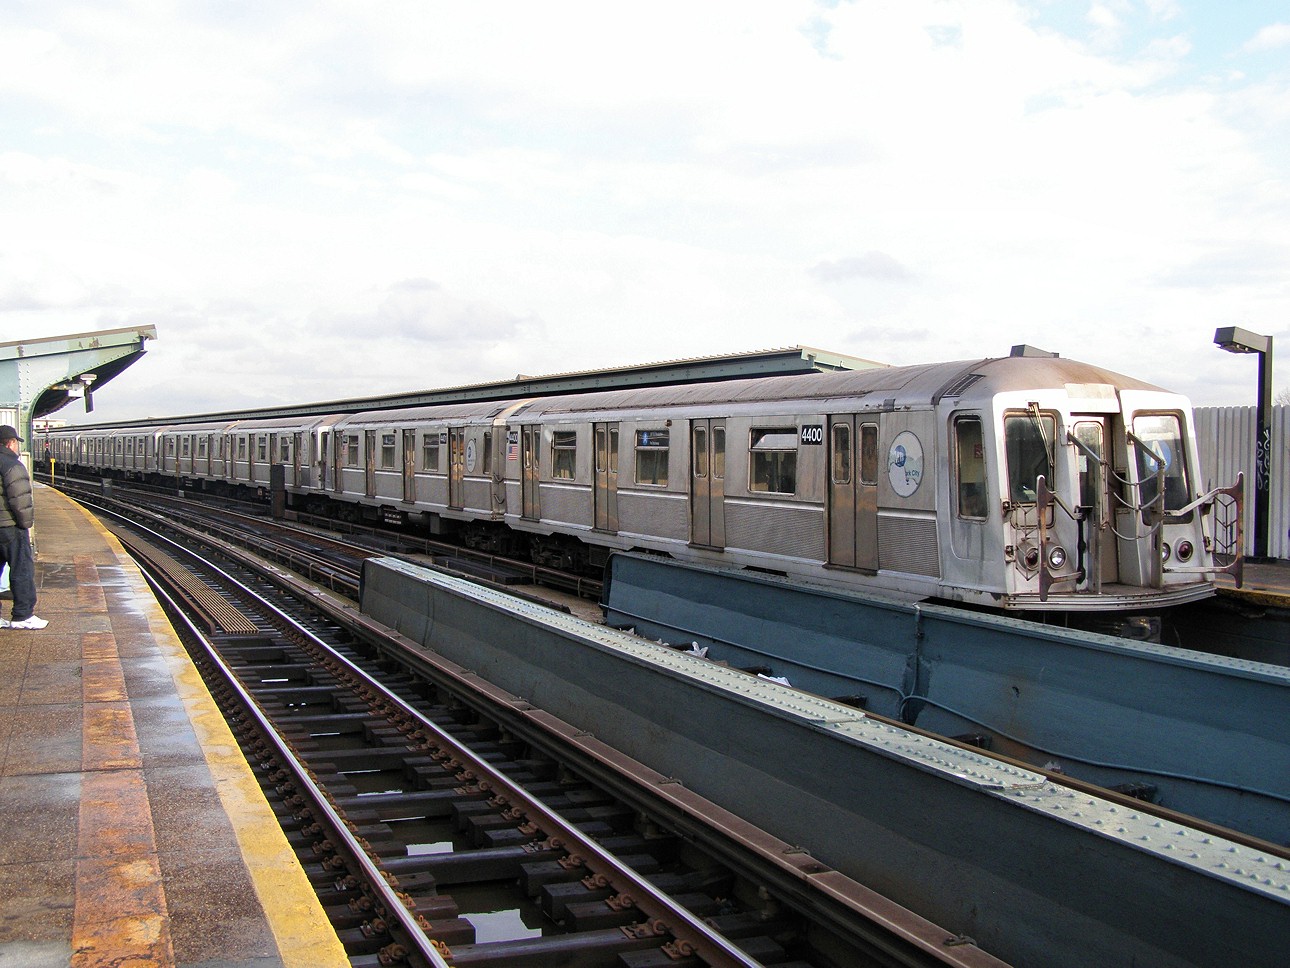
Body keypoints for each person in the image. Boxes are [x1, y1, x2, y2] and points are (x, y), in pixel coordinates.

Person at [0, 425, 47, 629]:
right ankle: (22, 615)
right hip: (10, 526)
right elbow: (20, 500)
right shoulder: (12, 464)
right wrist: (25, 525)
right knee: (21, 570)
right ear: (10, 443)